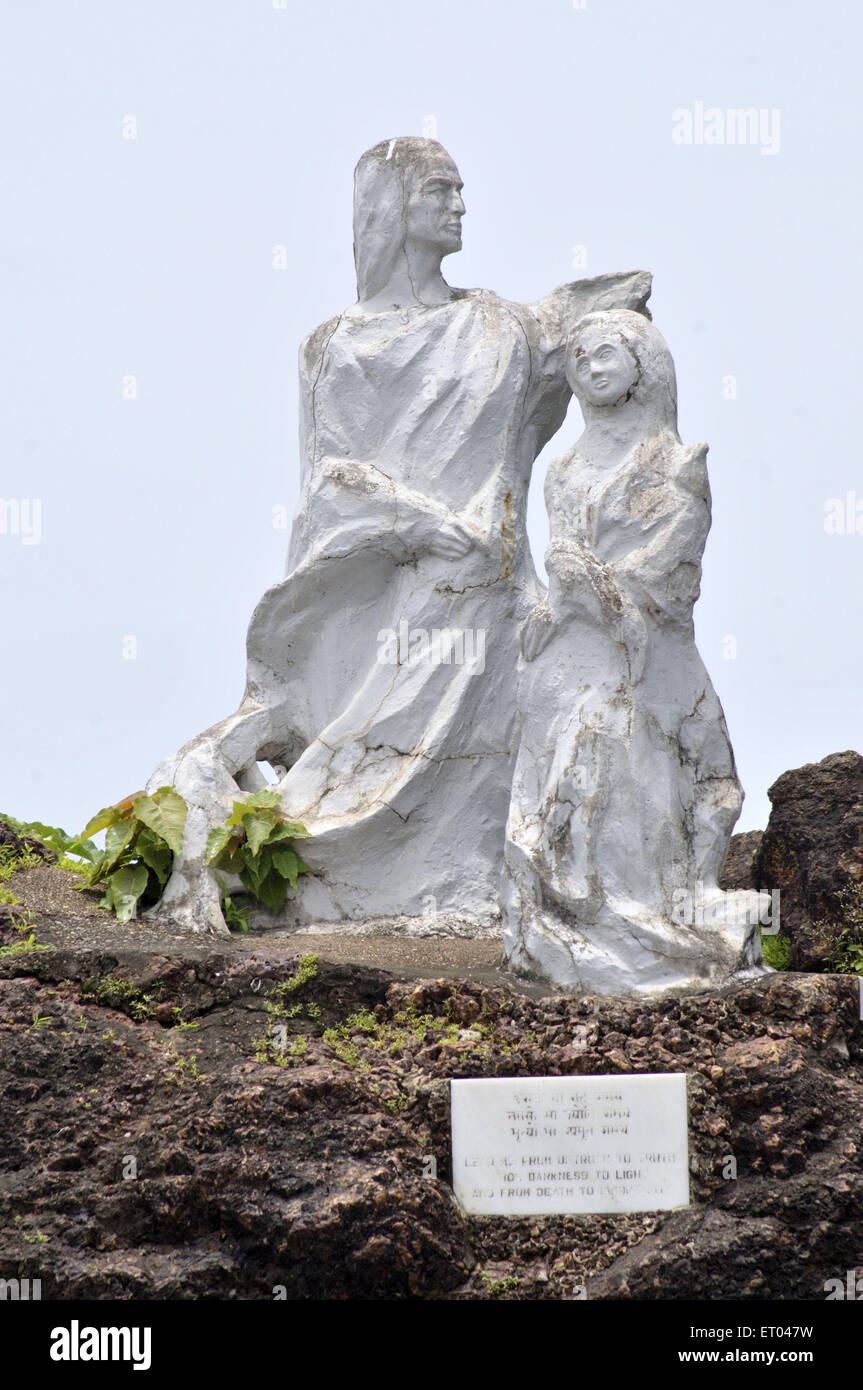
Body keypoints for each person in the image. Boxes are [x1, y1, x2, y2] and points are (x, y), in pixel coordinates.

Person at [148, 140, 650, 934]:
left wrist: (612, 313)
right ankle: (329, 872)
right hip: (392, 590)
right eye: (439, 192)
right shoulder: (333, 347)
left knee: (509, 731)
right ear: (389, 208)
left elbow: (579, 345)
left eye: (460, 192)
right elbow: (331, 486)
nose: (459, 207)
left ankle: (486, 884)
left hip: (489, 588)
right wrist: (421, 524)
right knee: (358, 760)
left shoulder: (495, 326)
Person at [503, 309, 763, 991]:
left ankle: (652, 918)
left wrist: (602, 587)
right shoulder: (562, 470)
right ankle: (576, 920)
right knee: (572, 763)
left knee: (646, 762)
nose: (590, 367)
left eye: (607, 353)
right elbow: (557, 566)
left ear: (643, 363)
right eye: (579, 357)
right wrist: (556, 600)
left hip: (647, 653)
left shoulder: (674, 464)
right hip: (572, 650)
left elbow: (672, 569)